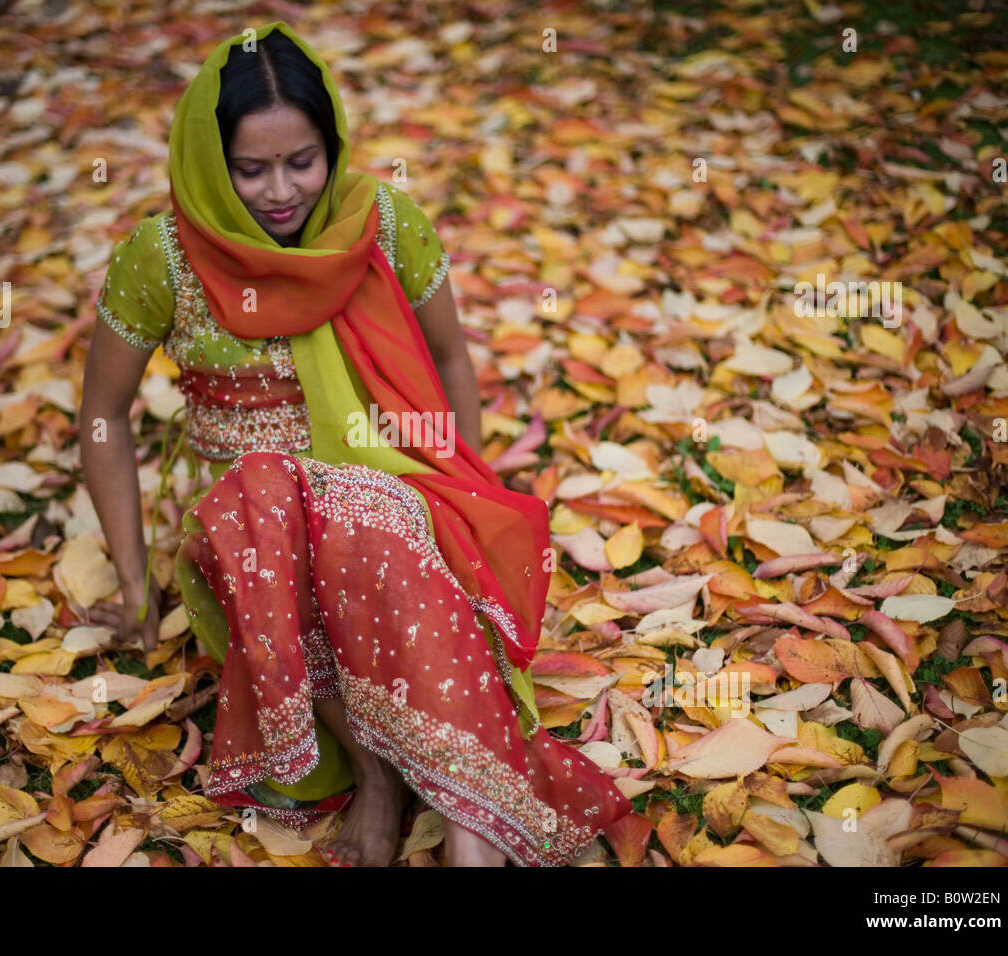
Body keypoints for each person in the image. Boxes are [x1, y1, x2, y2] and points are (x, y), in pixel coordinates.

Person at [79, 20, 632, 866]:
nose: (279, 191)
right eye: (250, 168)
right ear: (206, 161)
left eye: (302, 160)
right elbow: (104, 414)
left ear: (333, 143)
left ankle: (470, 838)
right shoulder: (163, 256)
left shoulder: (380, 221)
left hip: (385, 468)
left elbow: (448, 355)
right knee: (277, 503)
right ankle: (383, 780)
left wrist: (464, 491)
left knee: (372, 524)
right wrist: (131, 581)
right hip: (246, 514)